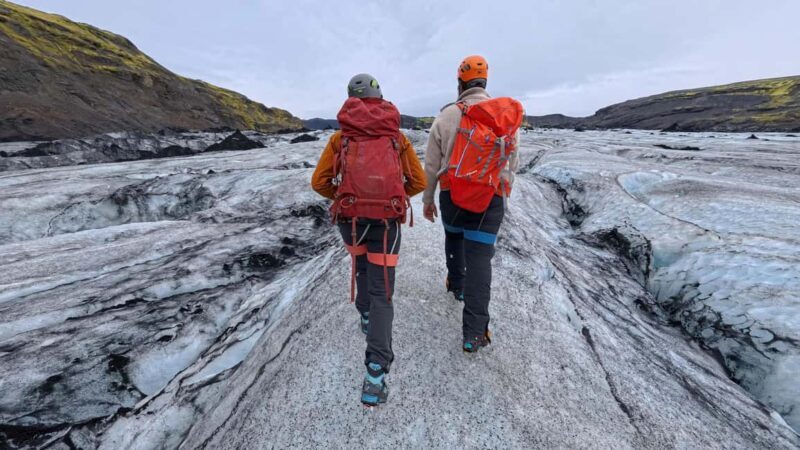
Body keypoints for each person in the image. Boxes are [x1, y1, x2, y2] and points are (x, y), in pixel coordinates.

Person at [311, 73, 426, 406]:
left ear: (351, 99)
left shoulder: (340, 138)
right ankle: (375, 374)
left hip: (351, 220)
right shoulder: (396, 138)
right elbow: (417, 181)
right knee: (383, 291)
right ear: (380, 97)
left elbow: (319, 182)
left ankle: (363, 314)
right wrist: (393, 196)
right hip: (387, 224)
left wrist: (344, 195)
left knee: (360, 265)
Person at [422, 55, 522, 353]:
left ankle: (456, 284)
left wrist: (428, 199)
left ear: (460, 82)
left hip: (452, 195)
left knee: (453, 238)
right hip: (489, 199)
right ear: (485, 81)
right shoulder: (503, 116)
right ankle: (474, 333)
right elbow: (512, 161)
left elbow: (431, 164)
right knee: (480, 260)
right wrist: (504, 189)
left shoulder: (446, 116)